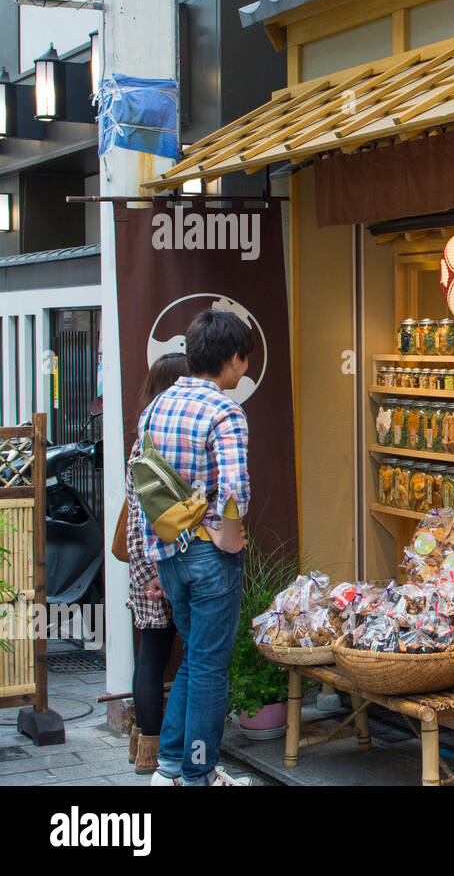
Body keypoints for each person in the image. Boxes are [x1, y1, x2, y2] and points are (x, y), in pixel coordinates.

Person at [142, 309, 253, 787]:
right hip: (210, 552)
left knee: (194, 657)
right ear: (231, 358)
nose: (244, 367)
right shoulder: (224, 410)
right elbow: (234, 486)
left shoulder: (158, 405)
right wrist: (229, 533)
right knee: (210, 665)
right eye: (243, 358)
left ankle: (170, 766)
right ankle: (199, 773)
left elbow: (143, 480)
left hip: (168, 551)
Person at [126, 353, 187, 774]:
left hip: (141, 556)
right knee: (165, 653)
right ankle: (158, 748)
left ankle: (146, 746)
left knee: (153, 650)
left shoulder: (143, 434)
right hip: (159, 557)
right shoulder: (165, 438)